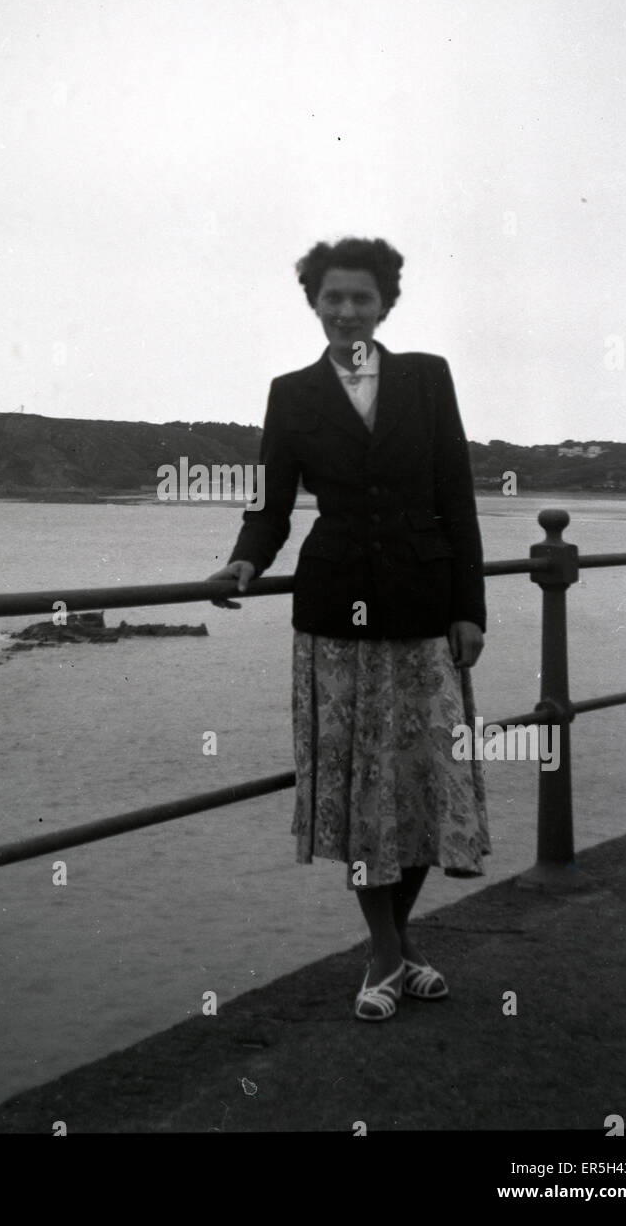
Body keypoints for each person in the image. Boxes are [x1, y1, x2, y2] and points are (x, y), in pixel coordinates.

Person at [208, 236, 489, 1022]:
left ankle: (393, 952)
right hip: (335, 611)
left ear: (384, 304)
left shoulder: (426, 378)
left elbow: (455, 496)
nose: (345, 311)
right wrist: (244, 562)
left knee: (427, 785)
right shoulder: (291, 392)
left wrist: (469, 607)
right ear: (314, 303)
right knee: (362, 793)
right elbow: (271, 501)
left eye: (360, 298)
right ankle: (387, 951)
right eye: (331, 297)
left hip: (425, 608)